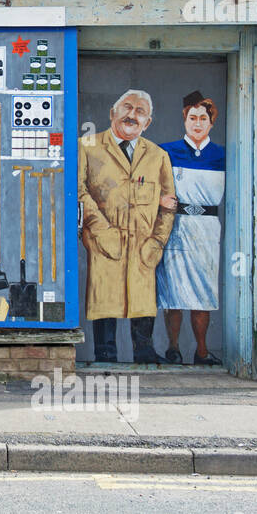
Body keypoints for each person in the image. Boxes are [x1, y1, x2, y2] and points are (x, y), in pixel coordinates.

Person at [78, 89, 177, 363]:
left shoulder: (158, 155)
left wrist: (157, 242)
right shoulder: (87, 145)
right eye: (127, 107)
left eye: (140, 111)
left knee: (142, 299)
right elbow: (78, 192)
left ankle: (144, 352)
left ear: (148, 122)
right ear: (113, 113)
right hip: (104, 239)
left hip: (144, 242)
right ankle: (105, 354)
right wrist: (100, 231)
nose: (132, 115)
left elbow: (169, 204)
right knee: (105, 299)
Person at [157, 91, 226, 365]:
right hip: (175, 226)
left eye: (203, 118)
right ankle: (173, 347)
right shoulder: (166, 151)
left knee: (203, 293)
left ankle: (201, 350)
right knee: (172, 292)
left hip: (207, 229)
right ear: (185, 119)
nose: (197, 123)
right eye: (192, 117)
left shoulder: (221, 154)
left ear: (211, 122)